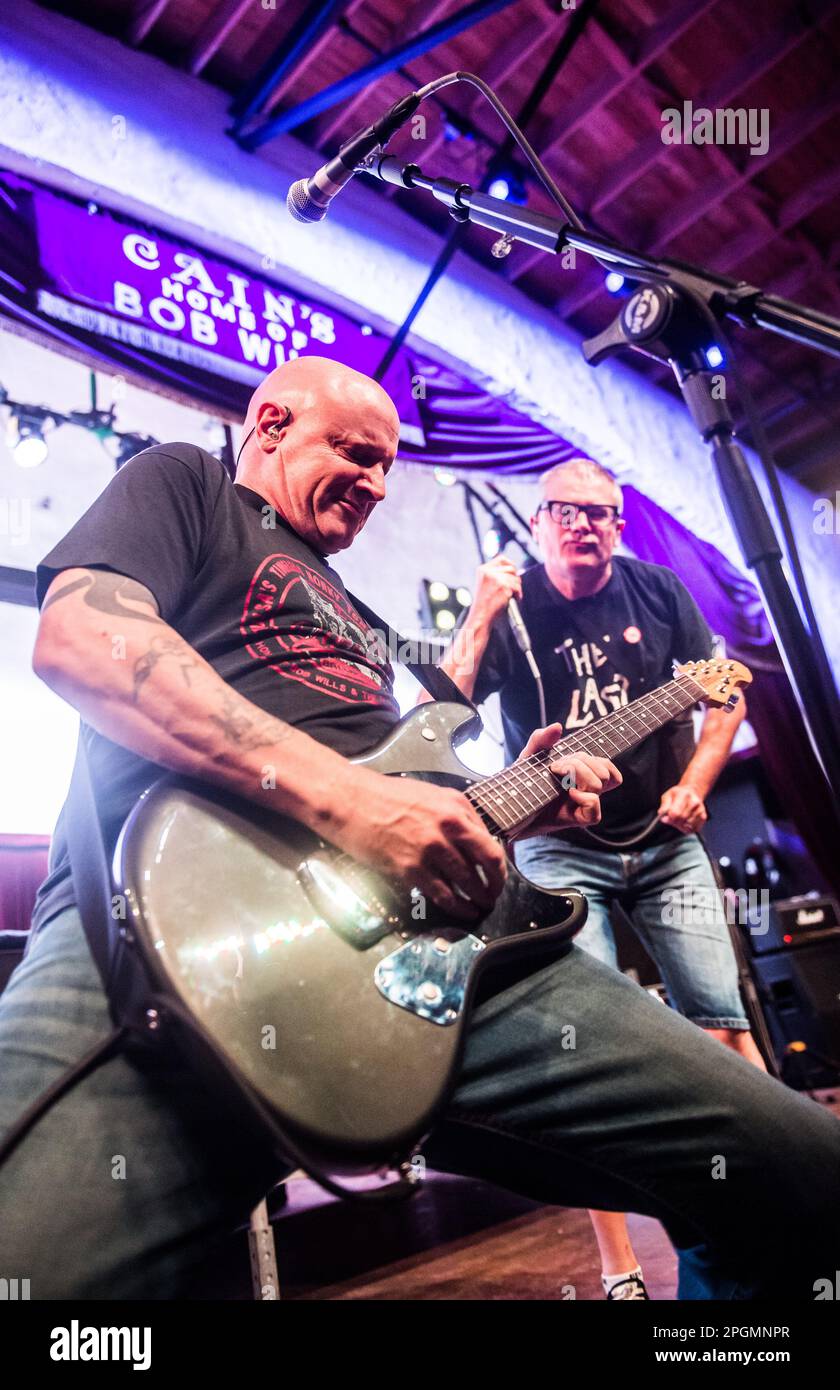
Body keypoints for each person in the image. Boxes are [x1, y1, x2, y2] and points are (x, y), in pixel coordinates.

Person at [0, 359, 838, 1301]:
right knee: (36, 1274)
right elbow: (84, 640)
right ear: (269, 423)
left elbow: (415, 796)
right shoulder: (187, 485)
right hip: (165, 909)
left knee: (801, 1182)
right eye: (354, 453)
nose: (377, 484)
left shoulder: (361, 619)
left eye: (389, 467)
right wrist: (352, 803)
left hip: (443, 961)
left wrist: (519, 801)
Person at [424, 457, 773, 1299]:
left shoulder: (657, 592)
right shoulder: (511, 607)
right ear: (537, 523)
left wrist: (695, 783)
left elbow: (724, 696)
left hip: (662, 838)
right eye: (565, 511)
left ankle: (781, 1202)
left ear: (618, 524)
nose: (583, 524)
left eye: (601, 512)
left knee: (724, 1024)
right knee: (589, 1049)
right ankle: (618, 1268)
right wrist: (477, 613)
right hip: (554, 843)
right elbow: (443, 716)